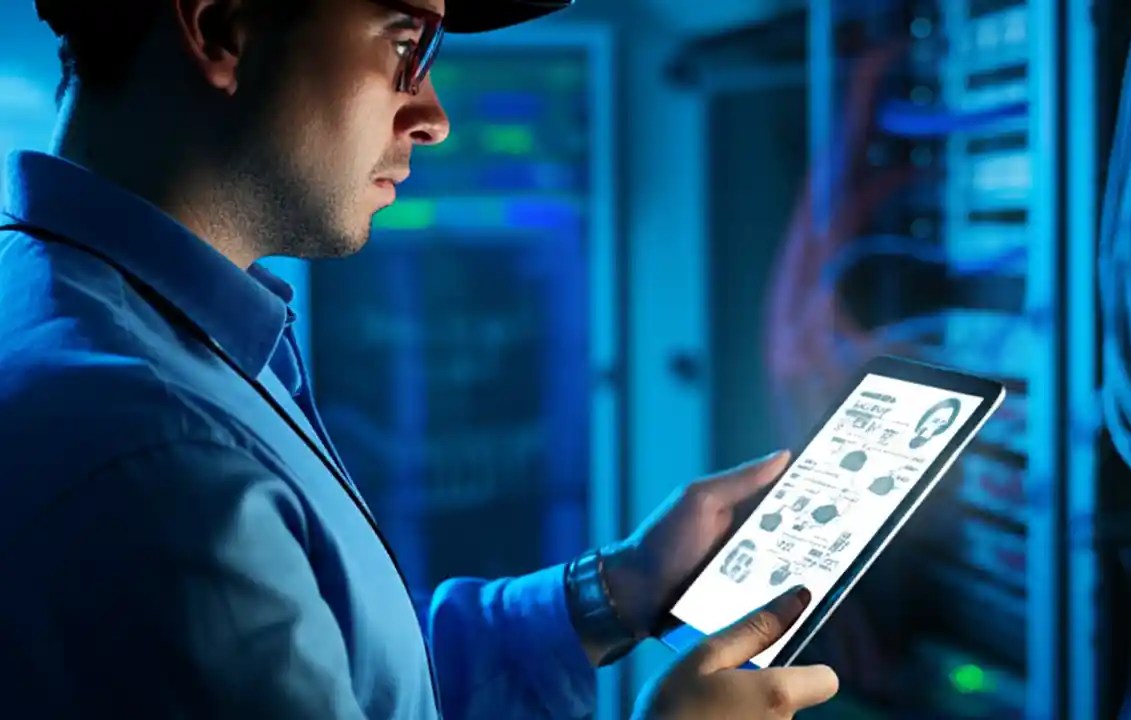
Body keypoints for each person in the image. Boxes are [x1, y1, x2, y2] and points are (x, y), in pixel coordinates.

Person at [0, 0, 842, 718]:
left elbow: (357, 675)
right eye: (406, 44)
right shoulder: (154, 457)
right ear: (222, 28)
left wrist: (612, 590)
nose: (433, 115)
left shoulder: (115, 318)